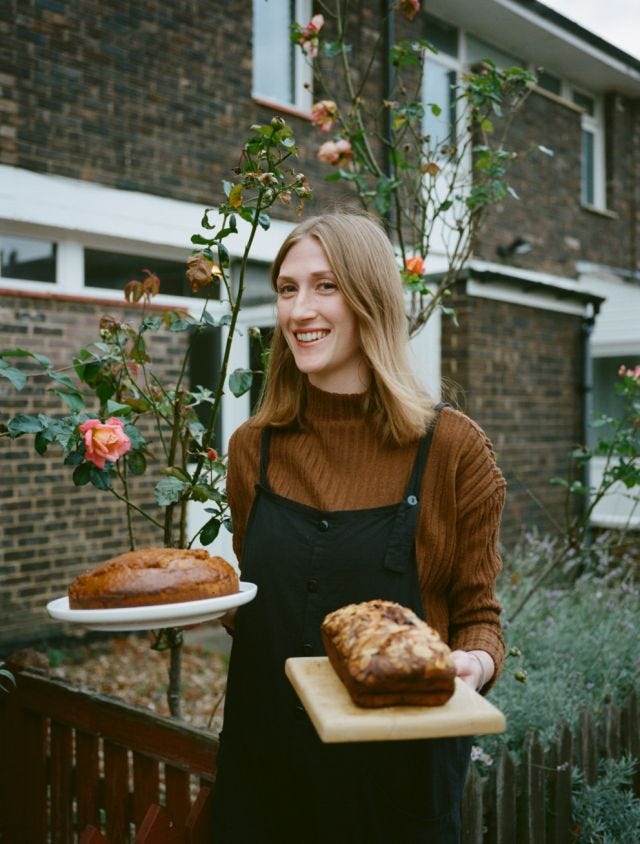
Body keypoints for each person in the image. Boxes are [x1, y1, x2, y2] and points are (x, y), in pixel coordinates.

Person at [211, 211, 506, 843]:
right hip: (265, 769)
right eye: (287, 289)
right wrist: (211, 605)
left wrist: (472, 665)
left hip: (395, 784)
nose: (298, 310)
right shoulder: (253, 447)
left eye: (325, 286)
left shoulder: (451, 449)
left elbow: (478, 611)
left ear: (370, 298)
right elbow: (261, 594)